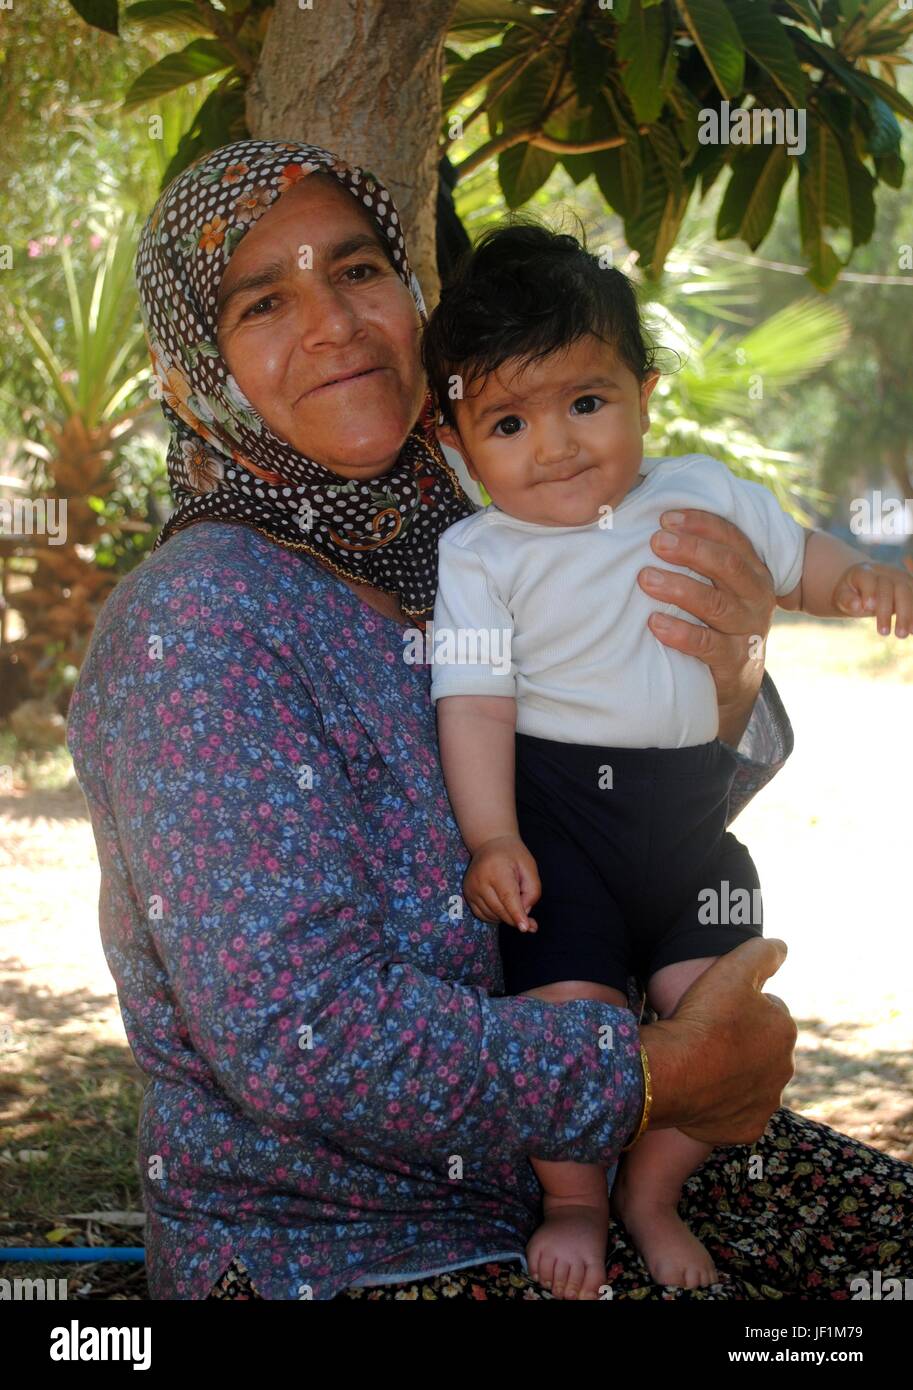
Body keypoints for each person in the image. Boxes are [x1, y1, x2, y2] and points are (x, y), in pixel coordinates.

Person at [65, 139, 913, 1301]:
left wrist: (723, 688)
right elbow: (299, 1039)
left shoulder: (477, 526)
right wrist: (649, 1078)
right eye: (264, 300)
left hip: (593, 1160)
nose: (334, 326)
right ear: (190, 364)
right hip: (353, 1245)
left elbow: (627, 815)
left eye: (360, 272)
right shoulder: (200, 623)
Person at [421, 222, 913, 1298]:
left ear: (644, 391)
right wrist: (492, 834)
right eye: (509, 421)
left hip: (690, 829)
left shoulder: (701, 489)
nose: (554, 445)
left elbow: (799, 562)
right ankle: (575, 1199)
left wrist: (863, 583)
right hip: (559, 823)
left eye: (585, 403)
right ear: (457, 445)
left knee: (725, 1019)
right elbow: (471, 700)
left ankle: (650, 1192)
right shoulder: (480, 554)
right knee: (571, 1017)